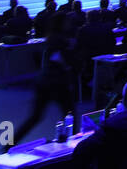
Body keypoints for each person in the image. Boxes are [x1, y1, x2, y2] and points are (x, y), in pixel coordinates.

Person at [12, 15, 79, 146]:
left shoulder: (52, 38)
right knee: (70, 116)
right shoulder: (62, 41)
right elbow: (68, 62)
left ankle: (9, 144)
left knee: (35, 117)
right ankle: (69, 145)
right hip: (58, 83)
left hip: (44, 81)